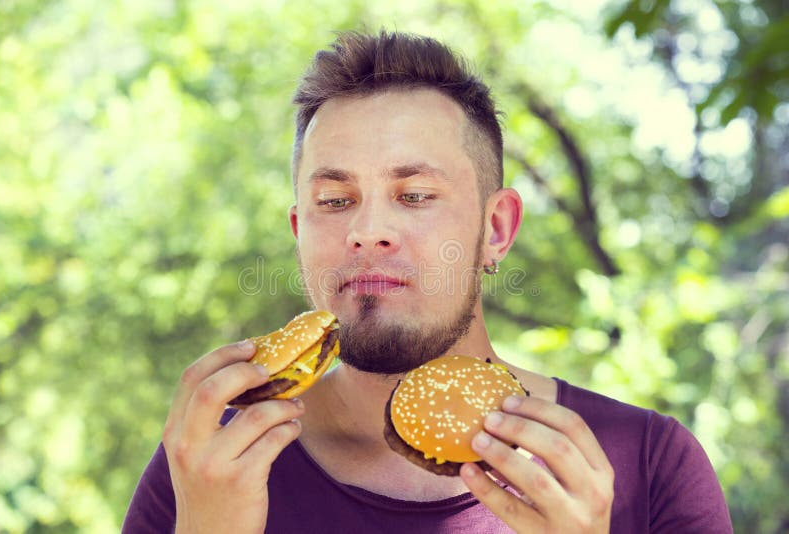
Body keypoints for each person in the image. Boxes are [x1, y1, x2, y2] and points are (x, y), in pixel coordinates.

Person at [123, 30, 733, 533]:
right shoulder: (203, 468)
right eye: (334, 201)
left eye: (414, 195)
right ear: (299, 231)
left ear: (496, 228)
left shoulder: (651, 465)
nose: (367, 231)